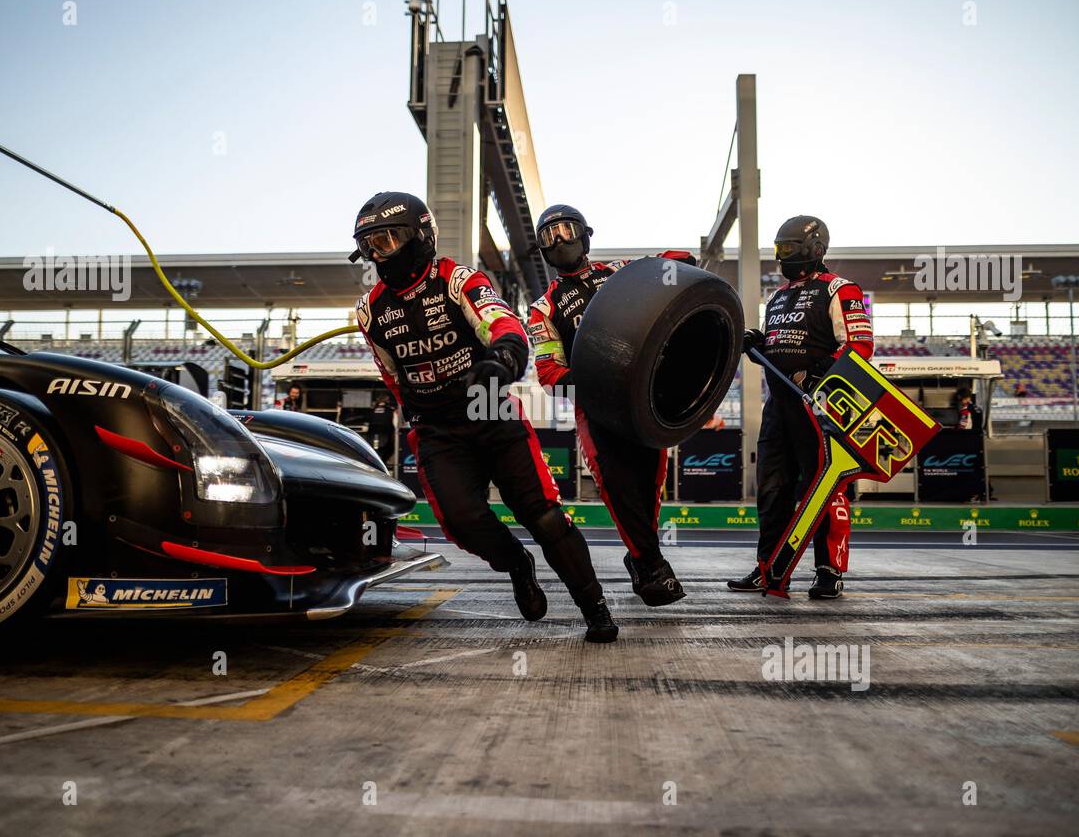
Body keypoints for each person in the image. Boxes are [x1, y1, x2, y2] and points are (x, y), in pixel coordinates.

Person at [351, 191, 617, 642]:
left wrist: (503, 358)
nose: (383, 252)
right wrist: (417, 416)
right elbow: (391, 376)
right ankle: (517, 563)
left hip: (490, 407)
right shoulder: (369, 310)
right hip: (437, 429)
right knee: (459, 519)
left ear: (420, 236)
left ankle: (595, 607)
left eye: (392, 238)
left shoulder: (458, 278)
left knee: (544, 516)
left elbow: (504, 323)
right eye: (374, 244)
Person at [526, 203, 695, 606]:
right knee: (617, 485)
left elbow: (678, 262)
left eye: (567, 230)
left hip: (646, 398)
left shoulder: (620, 270)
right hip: (598, 408)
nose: (561, 240)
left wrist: (677, 266)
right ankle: (652, 564)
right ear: (542, 249)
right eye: (550, 235)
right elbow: (550, 374)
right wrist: (597, 382)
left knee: (647, 485)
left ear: (585, 233)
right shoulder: (542, 308)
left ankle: (639, 557)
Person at [728, 214, 874, 599]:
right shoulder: (777, 296)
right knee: (772, 490)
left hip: (822, 406)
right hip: (780, 406)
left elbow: (859, 347)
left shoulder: (840, 289)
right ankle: (770, 569)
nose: (783, 256)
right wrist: (757, 344)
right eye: (779, 250)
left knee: (825, 487)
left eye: (789, 249)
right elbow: (780, 349)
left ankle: (829, 571)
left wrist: (817, 375)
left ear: (816, 249)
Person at [367, 395, 396, 468]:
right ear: (387, 401)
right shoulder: (391, 411)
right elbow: (395, 425)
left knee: (375, 452)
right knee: (389, 450)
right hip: (386, 438)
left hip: (372, 438)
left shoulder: (371, 411)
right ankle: (383, 463)